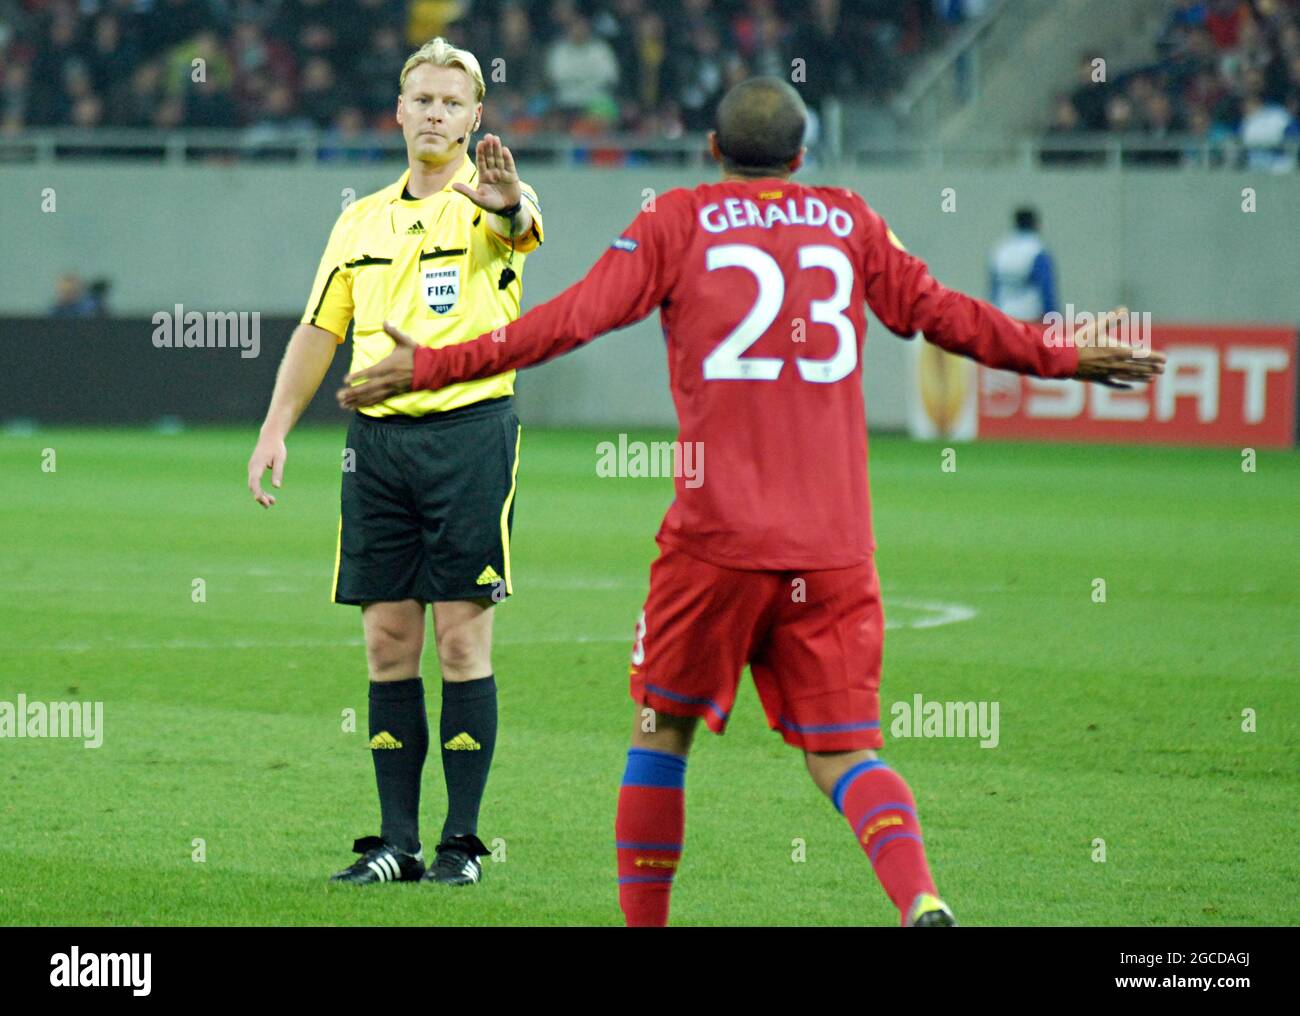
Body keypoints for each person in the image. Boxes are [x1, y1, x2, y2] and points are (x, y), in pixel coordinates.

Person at [337, 78, 1162, 926]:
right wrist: (1062, 355)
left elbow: (570, 321)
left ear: (712, 150)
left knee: (662, 733)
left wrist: (435, 364)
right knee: (846, 752)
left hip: (714, 542)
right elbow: (944, 315)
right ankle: (920, 898)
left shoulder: (679, 221)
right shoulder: (850, 221)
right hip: (835, 548)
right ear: (803, 156)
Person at [246, 37, 543, 888]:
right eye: (424, 100)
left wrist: (511, 199)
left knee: (460, 638)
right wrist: (275, 428)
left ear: (475, 116)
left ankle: (461, 843)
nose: (438, 114)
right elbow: (318, 333)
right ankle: (394, 843)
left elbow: (519, 224)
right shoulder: (359, 220)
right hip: (375, 446)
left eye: (454, 102)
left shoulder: (492, 201)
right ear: (401, 111)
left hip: (469, 437)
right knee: (385, 641)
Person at [989, 207, 1058, 322]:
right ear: (1035, 223)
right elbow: (1046, 290)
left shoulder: (1001, 249)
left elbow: (993, 289)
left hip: (1004, 317)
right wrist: (1053, 320)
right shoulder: (1036, 249)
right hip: (1031, 319)